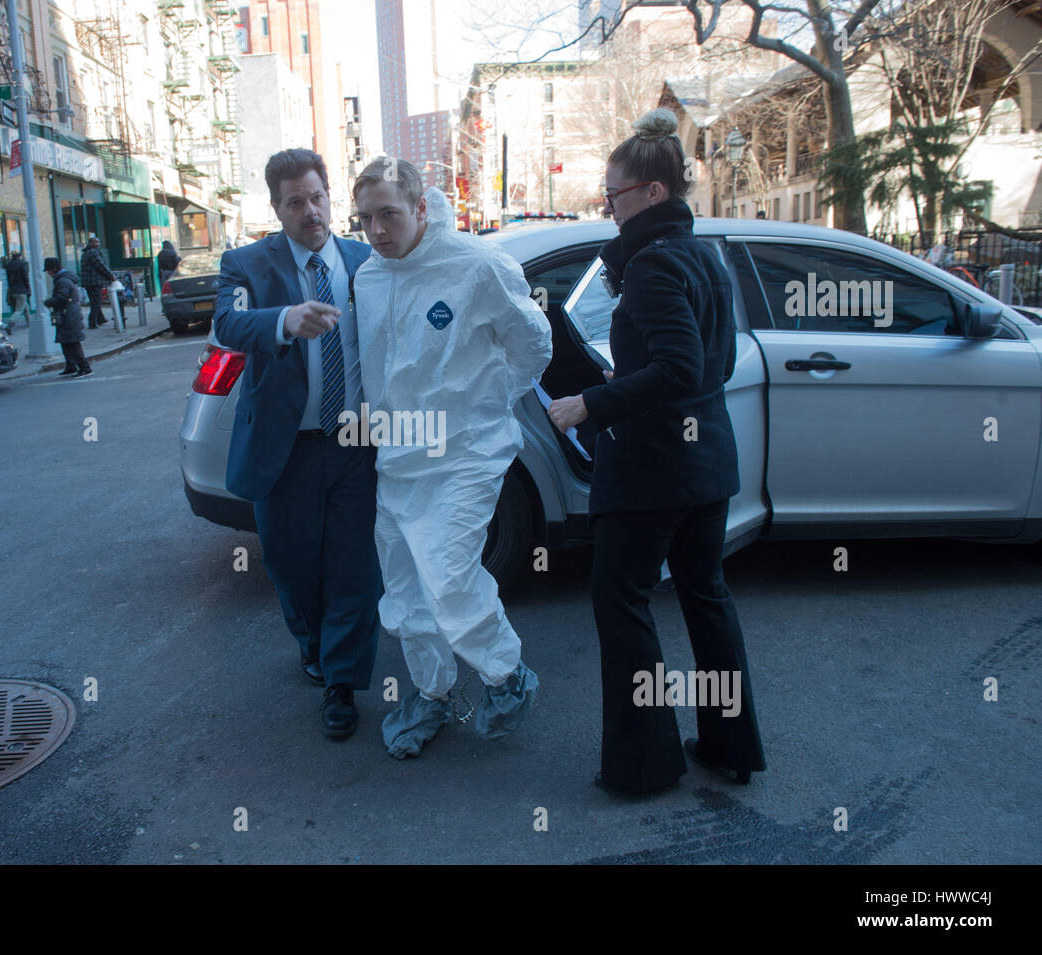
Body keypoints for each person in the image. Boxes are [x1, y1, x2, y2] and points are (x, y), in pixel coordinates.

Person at [547, 108, 766, 795]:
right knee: (707, 598)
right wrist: (627, 379)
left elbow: (678, 367)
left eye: (613, 195)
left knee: (623, 601)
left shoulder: (651, 265)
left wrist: (591, 402)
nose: (607, 208)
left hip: (651, 471)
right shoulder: (706, 255)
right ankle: (733, 744)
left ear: (652, 194)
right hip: (707, 464)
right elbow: (710, 365)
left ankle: (645, 763)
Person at [353, 158, 552, 759]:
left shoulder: (476, 266)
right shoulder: (370, 276)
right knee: (407, 593)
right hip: (397, 459)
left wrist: (484, 406)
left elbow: (533, 344)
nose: (378, 230)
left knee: (448, 576)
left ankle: (508, 675)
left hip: (464, 456)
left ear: (419, 207)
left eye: (389, 214)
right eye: (365, 218)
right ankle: (432, 694)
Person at [213, 147, 381, 740]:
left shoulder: (368, 260)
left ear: (329, 196)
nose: (310, 211)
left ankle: (341, 682)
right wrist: (283, 319)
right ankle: (312, 643)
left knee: (355, 568)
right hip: (286, 452)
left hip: (356, 442)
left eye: (317, 197)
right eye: (295, 202)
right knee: (293, 565)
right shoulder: (246, 264)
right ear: (276, 207)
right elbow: (228, 325)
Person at [43, 257, 91, 378]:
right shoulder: (64, 279)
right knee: (66, 341)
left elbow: (61, 298)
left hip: (68, 315)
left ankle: (84, 368)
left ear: (53, 269)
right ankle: (71, 366)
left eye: (48, 270)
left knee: (72, 342)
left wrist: (48, 302)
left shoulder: (62, 281)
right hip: (68, 314)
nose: (48, 273)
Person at [80, 236, 116, 329]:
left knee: (95, 301)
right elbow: (100, 266)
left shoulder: (86, 253)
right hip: (94, 281)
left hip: (89, 281)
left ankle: (100, 319)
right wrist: (111, 276)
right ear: (90, 243)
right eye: (95, 242)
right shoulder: (93, 252)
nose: (97, 244)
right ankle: (92, 322)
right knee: (96, 302)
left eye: (98, 242)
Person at [4, 251, 32, 333]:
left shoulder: (9, 265)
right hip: (22, 290)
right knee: (19, 310)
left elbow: (8, 279)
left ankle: (29, 322)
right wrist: (28, 289)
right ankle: (10, 324)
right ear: (19, 256)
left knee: (25, 306)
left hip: (13, 290)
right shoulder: (22, 264)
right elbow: (25, 278)